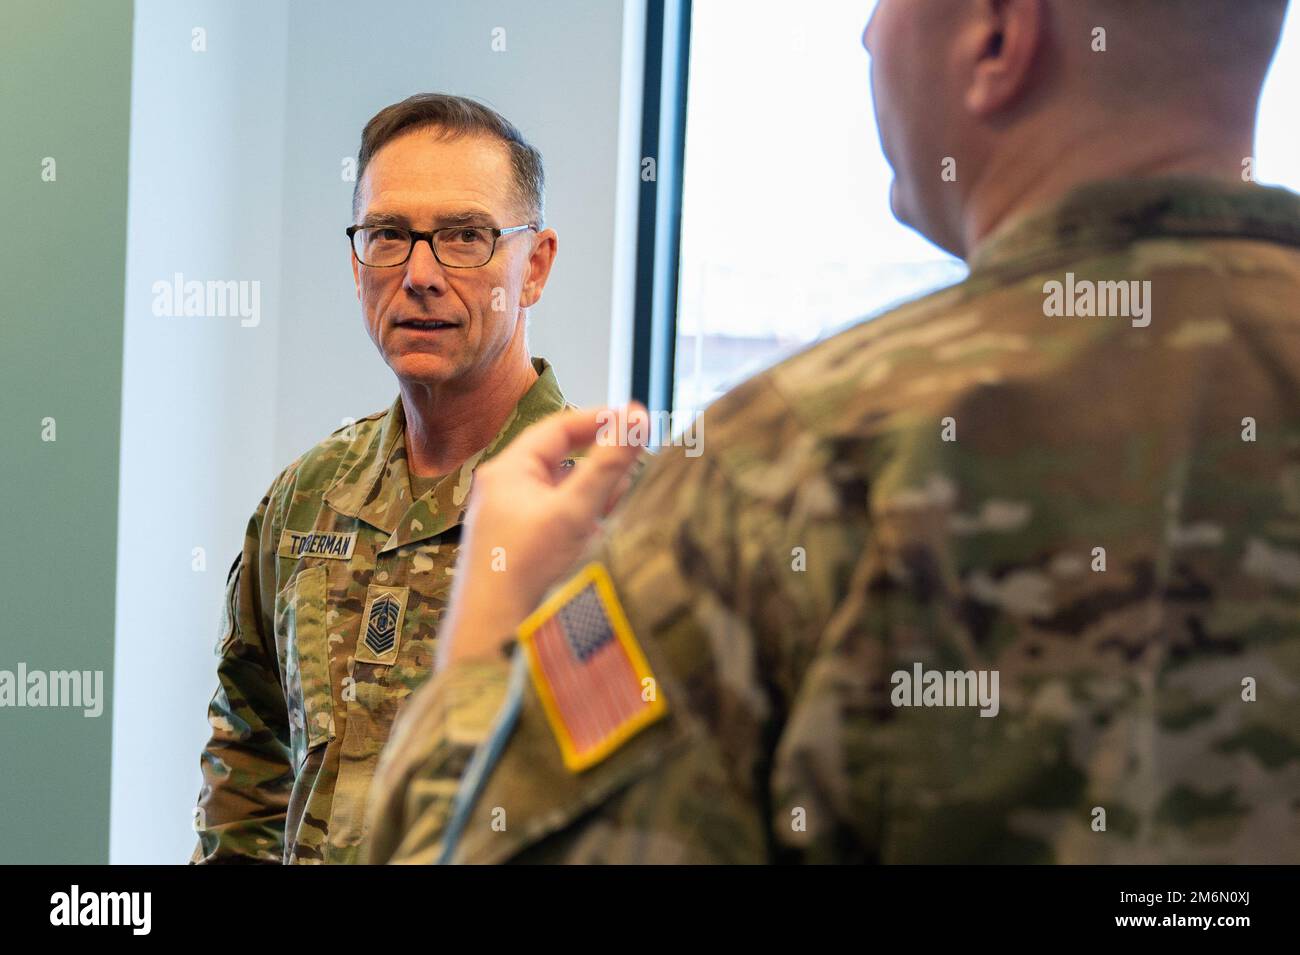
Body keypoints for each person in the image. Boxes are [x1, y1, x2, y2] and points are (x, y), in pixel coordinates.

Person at [365, 0, 1300, 864]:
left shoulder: (791, 464)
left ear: (999, 39)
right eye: (385, 236)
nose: (865, 35)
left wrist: (488, 647)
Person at [191, 93, 571, 863]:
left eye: (465, 237)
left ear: (534, 267)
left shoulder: (607, 516)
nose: (420, 274)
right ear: (356, 259)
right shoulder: (305, 500)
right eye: (388, 236)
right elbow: (250, 763)